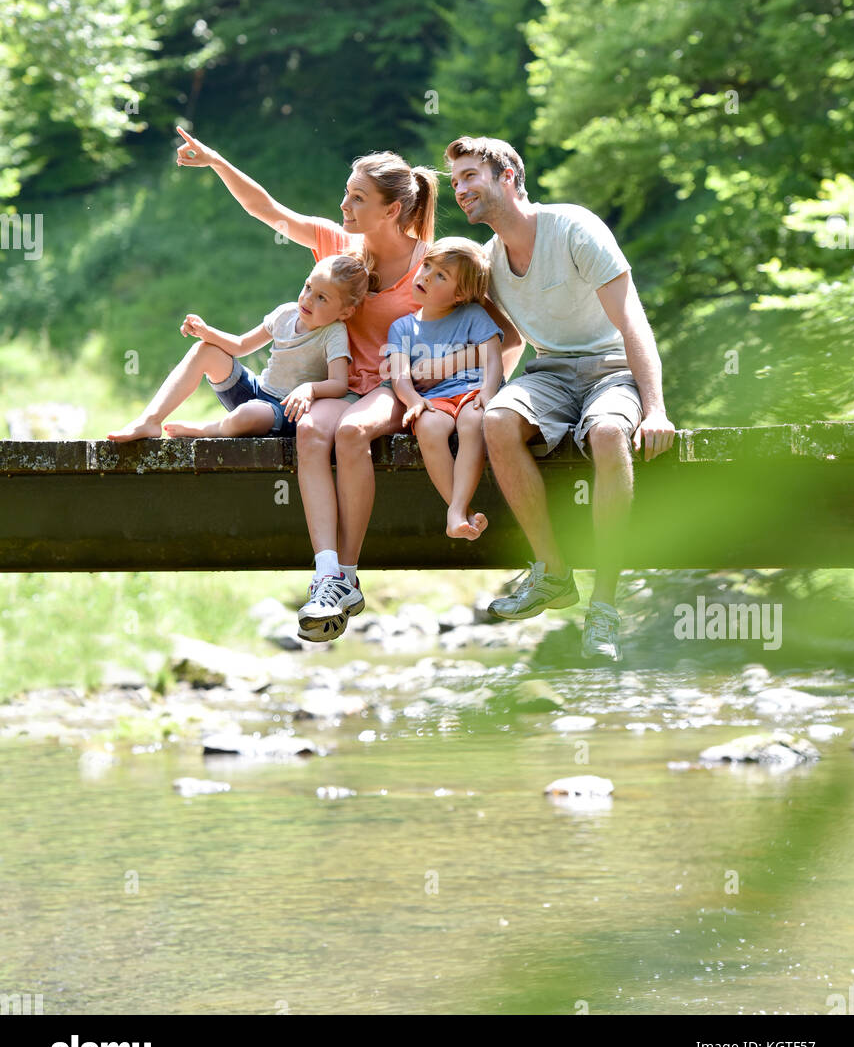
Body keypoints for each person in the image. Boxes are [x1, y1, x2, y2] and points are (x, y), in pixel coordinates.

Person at [172, 127, 517, 642]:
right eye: (347, 192)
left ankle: (349, 575)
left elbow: (503, 338)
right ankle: (327, 575)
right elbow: (271, 212)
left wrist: (474, 391)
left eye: (358, 197)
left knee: (353, 434)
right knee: (311, 431)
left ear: (392, 210)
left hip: (394, 389)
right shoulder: (340, 247)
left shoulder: (434, 261)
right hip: (339, 387)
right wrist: (219, 161)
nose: (344, 204)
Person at [446, 134, 676, 662]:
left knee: (609, 432)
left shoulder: (574, 227)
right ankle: (552, 573)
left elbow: (631, 322)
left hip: (610, 370)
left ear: (507, 177)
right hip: (548, 371)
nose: (460, 190)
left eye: (470, 177)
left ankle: (605, 605)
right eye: (455, 181)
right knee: (498, 420)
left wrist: (656, 407)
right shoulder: (489, 260)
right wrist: (484, 394)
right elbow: (506, 340)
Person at [107, 254, 367, 441]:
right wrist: (208, 333)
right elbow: (242, 346)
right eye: (308, 287)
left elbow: (339, 384)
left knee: (249, 414)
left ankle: (211, 429)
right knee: (205, 351)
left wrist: (309, 389)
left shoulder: (333, 332)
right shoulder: (286, 313)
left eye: (322, 298)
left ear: (345, 312)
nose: (308, 299)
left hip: (284, 411)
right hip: (257, 391)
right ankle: (150, 420)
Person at [387, 238, 504, 541]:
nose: (425, 276)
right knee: (428, 427)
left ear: (461, 293)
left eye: (441, 275)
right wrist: (412, 400)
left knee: (473, 422)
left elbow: (492, 355)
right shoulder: (402, 328)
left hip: (472, 390)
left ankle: (456, 511)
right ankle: (459, 512)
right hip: (434, 399)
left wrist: (489, 392)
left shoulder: (472, 316)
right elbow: (399, 375)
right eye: (427, 266)